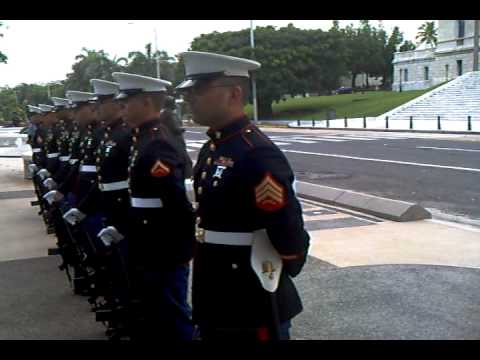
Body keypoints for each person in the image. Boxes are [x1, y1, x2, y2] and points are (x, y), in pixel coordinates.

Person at [176, 51, 310, 340]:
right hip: (215, 284)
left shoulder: (255, 152)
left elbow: (286, 227)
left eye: (199, 90)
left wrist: (279, 269)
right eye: (188, 91)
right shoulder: (213, 148)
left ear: (234, 94)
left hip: (247, 292)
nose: (190, 98)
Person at [111, 72, 195, 340]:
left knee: (172, 311)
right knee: (154, 309)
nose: (121, 109)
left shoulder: (158, 142)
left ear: (147, 102)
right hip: (147, 239)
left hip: (163, 244)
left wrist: (180, 248)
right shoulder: (142, 138)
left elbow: (176, 203)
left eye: (126, 104)